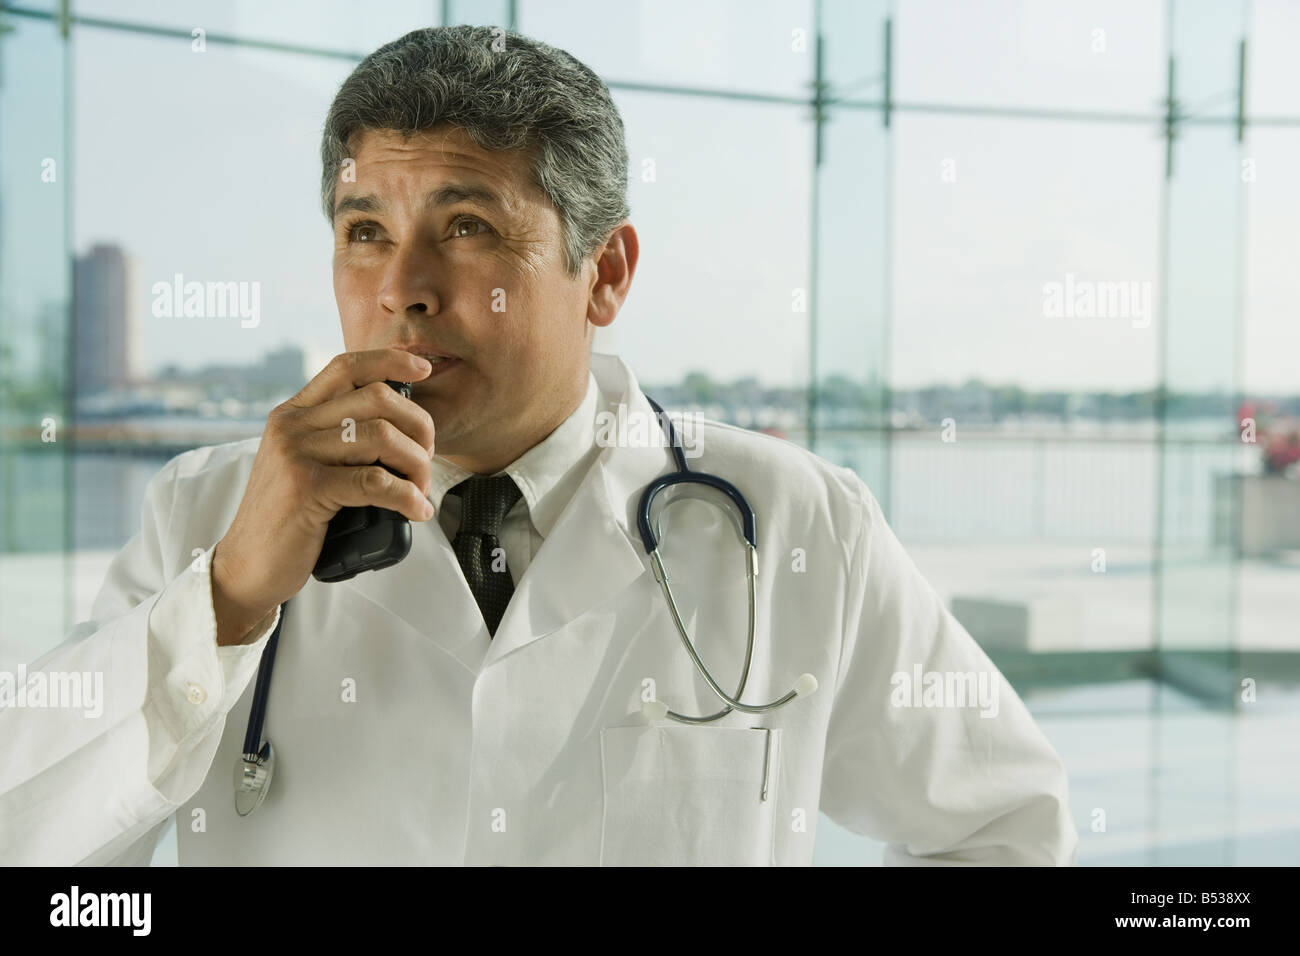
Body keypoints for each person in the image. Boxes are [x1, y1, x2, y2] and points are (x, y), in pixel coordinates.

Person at [0, 25, 1077, 866]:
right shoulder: (208, 512)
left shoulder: (798, 522)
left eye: (466, 229)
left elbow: (1003, 825)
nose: (400, 289)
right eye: (365, 231)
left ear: (603, 273)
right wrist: (227, 601)